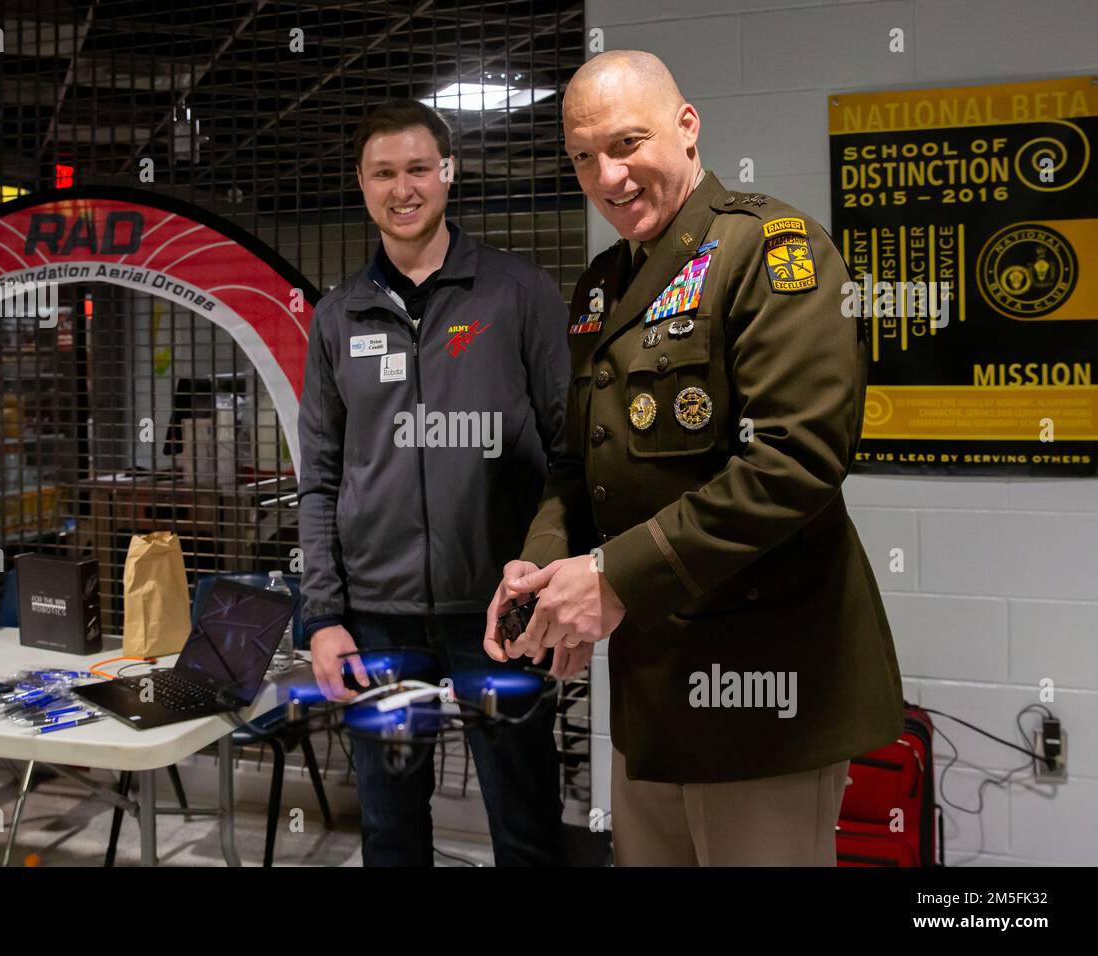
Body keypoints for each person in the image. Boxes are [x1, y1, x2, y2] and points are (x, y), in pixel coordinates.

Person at [484, 51, 905, 866]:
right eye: (582, 157)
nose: (607, 176)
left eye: (627, 142)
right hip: (654, 690)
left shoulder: (769, 252)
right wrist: (540, 572)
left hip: (765, 692)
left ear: (687, 126)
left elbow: (796, 462)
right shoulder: (605, 284)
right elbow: (578, 464)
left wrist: (609, 577)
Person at [298, 99, 574, 866]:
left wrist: (552, 587)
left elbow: (570, 456)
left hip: (501, 613)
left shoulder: (518, 294)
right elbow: (319, 479)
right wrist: (323, 616)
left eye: (419, 168)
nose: (403, 187)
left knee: (526, 828)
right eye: (384, 172)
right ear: (362, 184)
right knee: (389, 834)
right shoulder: (337, 317)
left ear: (448, 173)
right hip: (376, 621)